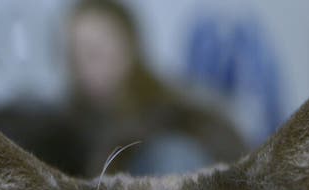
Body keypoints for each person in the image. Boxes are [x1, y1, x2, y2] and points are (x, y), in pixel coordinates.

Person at [65, 0, 247, 176]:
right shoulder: (65, 130)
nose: (83, 66)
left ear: (128, 46)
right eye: (75, 55)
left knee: (172, 154)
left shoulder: (176, 111)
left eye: (94, 52)